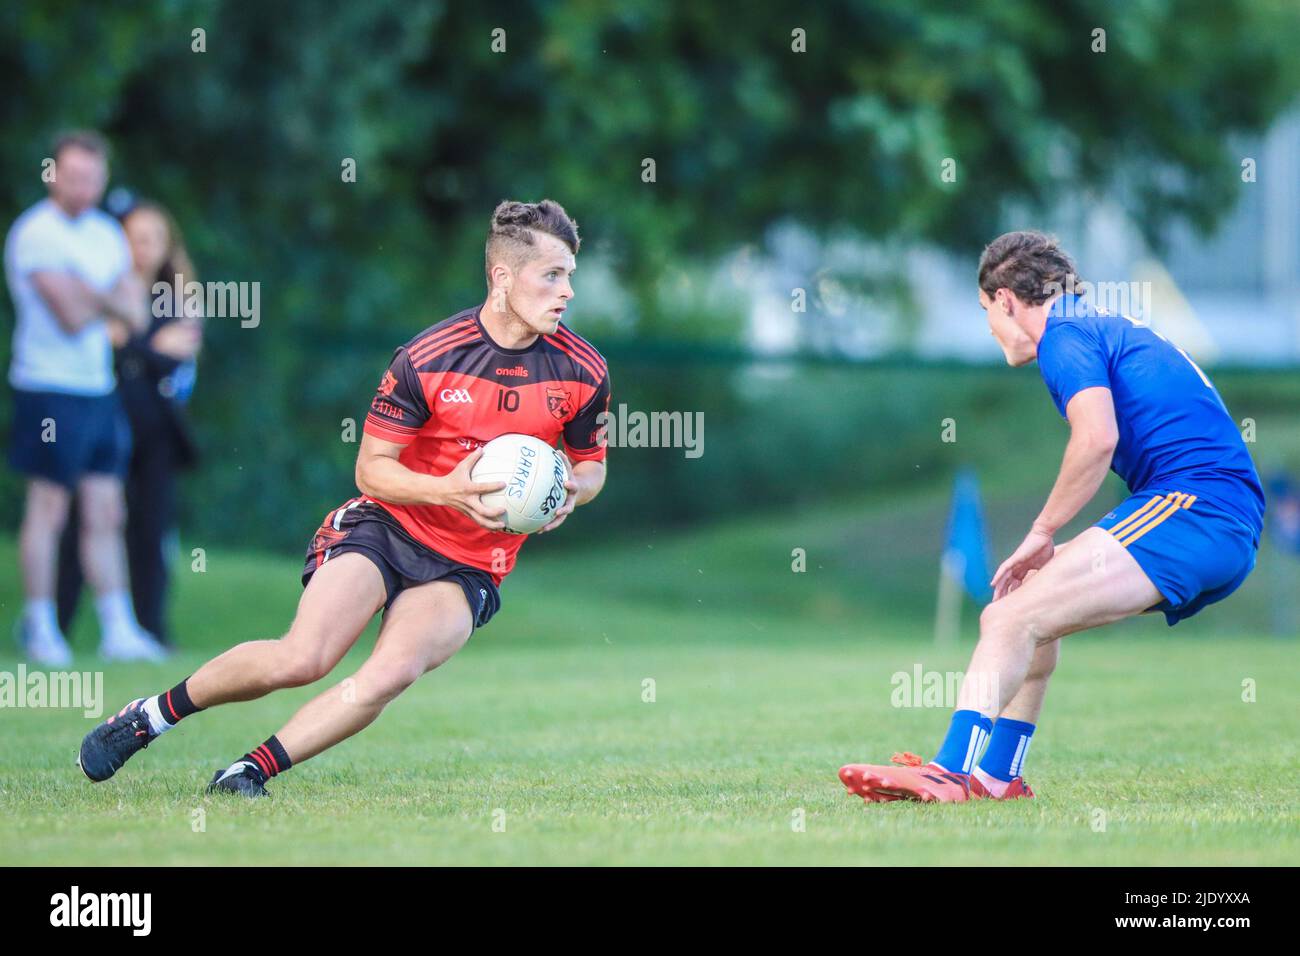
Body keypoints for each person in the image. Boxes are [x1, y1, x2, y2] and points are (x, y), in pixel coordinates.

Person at [78, 199, 610, 797]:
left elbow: (591, 465)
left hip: (473, 563)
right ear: (502, 277)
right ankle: (150, 716)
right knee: (303, 658)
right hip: (387, 526)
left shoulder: (585, 369)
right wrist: (450, 490)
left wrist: (572, 491)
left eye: (569, 275)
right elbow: (371, 470)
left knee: (390, 673)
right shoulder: (428, 357)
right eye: (552, 274)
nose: (566, 291)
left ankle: (250, 772)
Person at [840, 230, 1264, 802]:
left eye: (985, 309)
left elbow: (1096, 440)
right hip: (1211, 515)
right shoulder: (1092, 327)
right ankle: (997, 774)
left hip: (1198, 509)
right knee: (1024, 605)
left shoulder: (1063, 335)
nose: (989, 326)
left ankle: (948, 773)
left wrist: (1041, 533)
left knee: (1007, 620)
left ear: (1006, 299)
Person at [5, 130, 168, 664]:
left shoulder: (103, 233)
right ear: (53, 174)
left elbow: (137, 314)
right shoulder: (35, 234)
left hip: (98, 390)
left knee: (106, 509)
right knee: (49, 507)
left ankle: (119, 627)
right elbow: (71, 316)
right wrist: (107, 297)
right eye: (74, 176)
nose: (84, 187)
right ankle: (40, 624)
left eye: (93, 177)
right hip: (48, 388)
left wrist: (90, 291)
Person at [56, 199, 203, 646]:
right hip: (103, 424)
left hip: (156, 433)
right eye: (137, 238)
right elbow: (106, 347)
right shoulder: (107, 291)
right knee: (86, 520)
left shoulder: (178, 297)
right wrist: (152, 348)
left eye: (155, 238)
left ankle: (150, 631)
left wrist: (131, 345)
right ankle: (57, 625)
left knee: (151, 528)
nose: (146, 248)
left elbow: (176, 354)